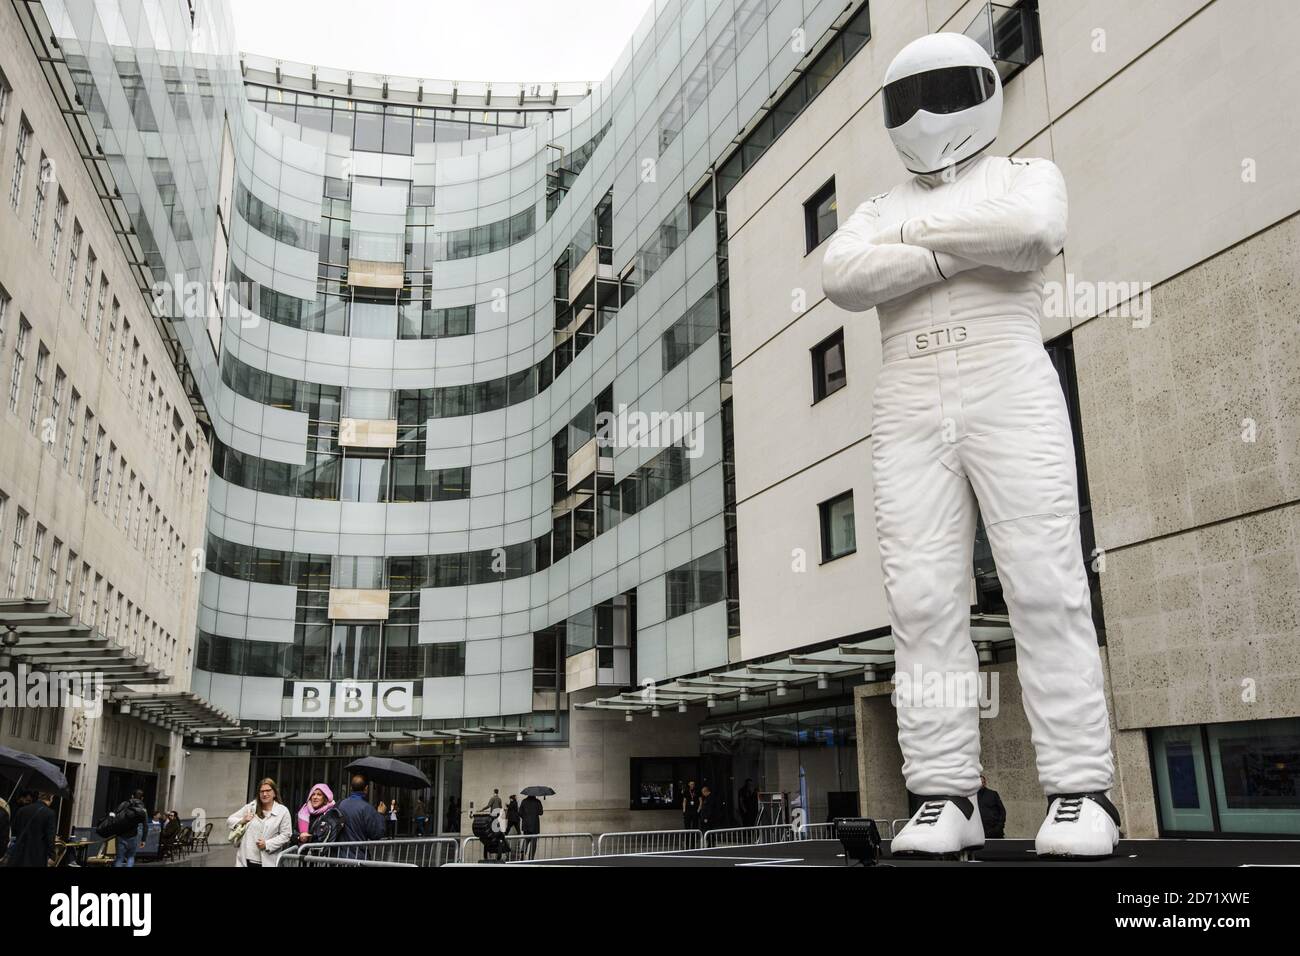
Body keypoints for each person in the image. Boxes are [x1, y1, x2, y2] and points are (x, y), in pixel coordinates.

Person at [822, 31, 1119, 859]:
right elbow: (843, 277)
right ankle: (944, 791)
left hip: (1007, 376)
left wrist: (914, 247)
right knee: (921, 601)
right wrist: (961, 244)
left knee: (1046, 580)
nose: (923, 112)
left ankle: (1078, 788)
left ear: (984, 88)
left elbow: (1032, 230)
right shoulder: (876, 208)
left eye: (943, 89)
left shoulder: (1025, 174)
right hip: (908, 394)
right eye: (906, 97)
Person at [227, 778, 293, 867]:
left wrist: (267, 844)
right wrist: (243, 820)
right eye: (261, 791)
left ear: (274, 793)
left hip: (268, 861)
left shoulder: (283, 811)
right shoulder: (251, 807)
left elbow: (286, 835)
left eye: (268, 790)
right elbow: (230, 820)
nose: (264, 794)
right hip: (246, 860)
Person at [336, 774, 386, 853]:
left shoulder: (340, 804)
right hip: (359, 855)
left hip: (340, 855)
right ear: (366, 789)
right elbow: (377, 834)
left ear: (351, 788)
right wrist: (380, 814)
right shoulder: (367, 808)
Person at [5, 792, 56, 867]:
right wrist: (52, 855)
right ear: (51, 798)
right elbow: (50, 837)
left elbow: (14, 829)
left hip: (19, 852)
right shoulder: (50, 813)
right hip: (37, 855)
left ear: (39, 797)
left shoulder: (22, 810)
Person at [111, 790, 149, 867]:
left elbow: (113, 815)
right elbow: (145, 826)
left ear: (132, 796)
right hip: (133, 836)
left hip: (121, 835)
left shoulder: (124, 804)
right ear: (142, 798)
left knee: (119, 858)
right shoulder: (143, 810)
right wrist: (143, 840)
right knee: (131, 857)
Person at [977, 775, 1007, 839]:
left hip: (995, 833)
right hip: (979, 833)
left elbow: (1002, 812)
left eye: (983, 782)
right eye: (979, 782)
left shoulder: (993, 794)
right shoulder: (972, 796)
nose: (981, 784)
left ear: (985, 783)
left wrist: (999, 827)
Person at [519, 792, 543, 860]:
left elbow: (520, 813)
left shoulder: (524, 801)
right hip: (535, 826)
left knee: (526, 841)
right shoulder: (537, 801)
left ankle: (522, 855)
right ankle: (531, 858)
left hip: (526, 825)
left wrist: (525, 818)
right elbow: (541, 812)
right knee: (533, 843)